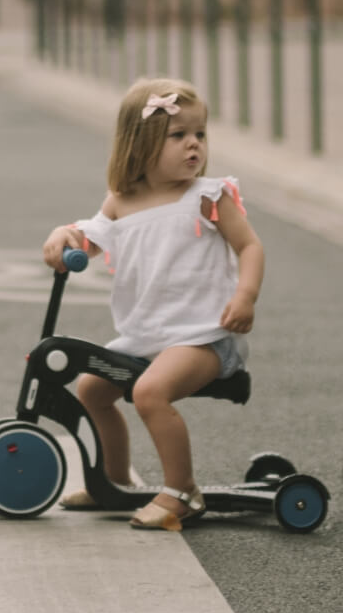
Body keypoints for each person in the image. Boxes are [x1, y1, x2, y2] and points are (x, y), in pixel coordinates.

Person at [42, 76, 265, 532]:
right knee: (91, 390)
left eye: (199, 133)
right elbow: (89, 239)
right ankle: (113, 481)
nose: (194, 144)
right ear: (140, 143)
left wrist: (245, 296)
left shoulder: (208, 196)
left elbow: (250, 247)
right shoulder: (122, 202)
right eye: (178, 135)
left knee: (149, 392)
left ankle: (182, 491)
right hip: (146, 338)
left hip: (203, 337)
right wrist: (64, 235)